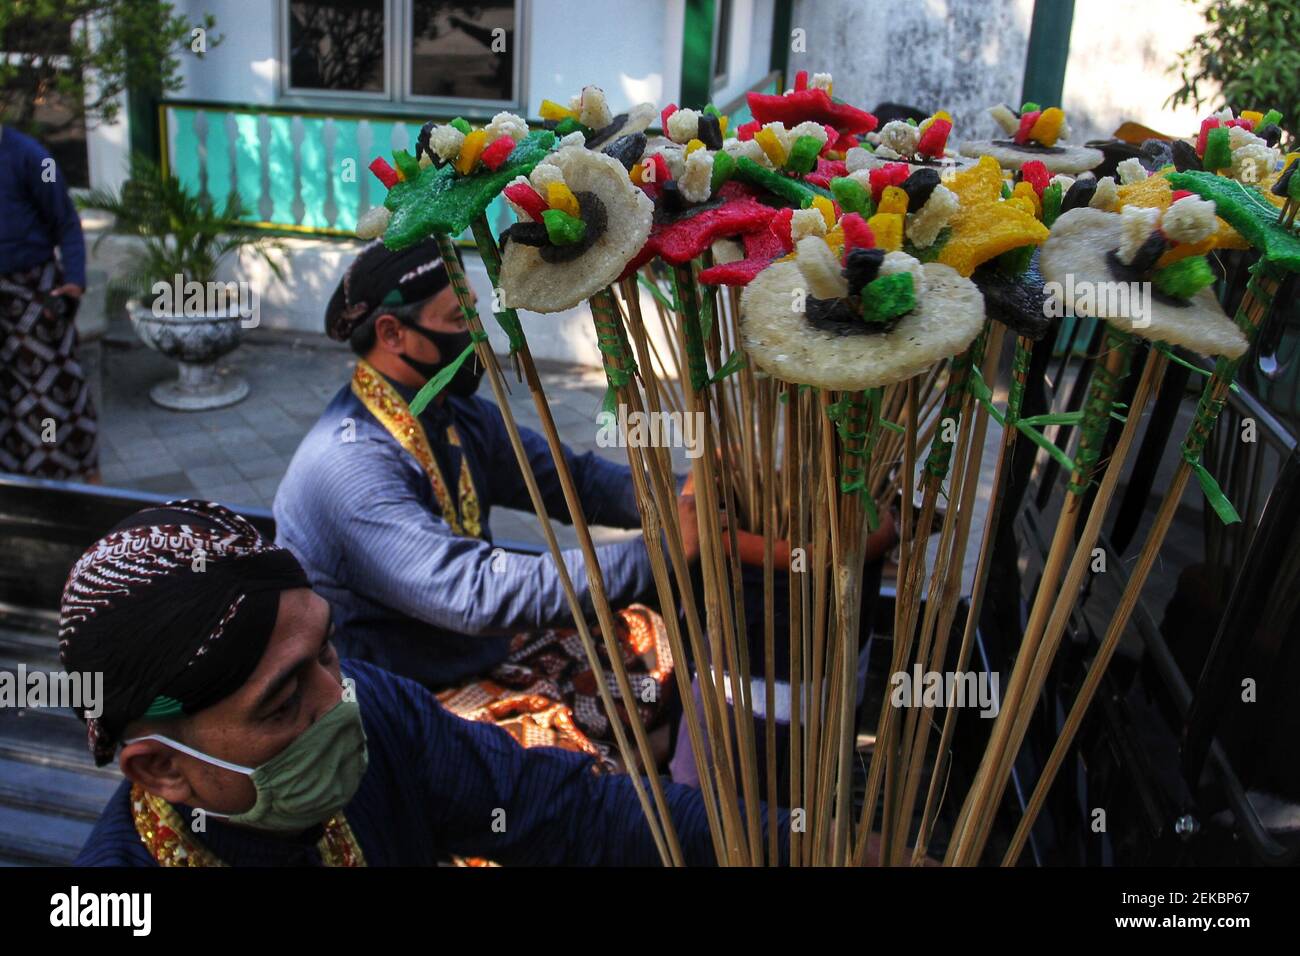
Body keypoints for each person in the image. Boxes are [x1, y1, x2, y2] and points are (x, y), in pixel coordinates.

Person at [66, 500, 767, 866]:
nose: (336, 700)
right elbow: (474, 595)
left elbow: (561, 810)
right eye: (282, 705)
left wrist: (785, 844)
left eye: (326, 651)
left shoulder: (377, 711)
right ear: (161, 768)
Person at [274, 239, 698, 759]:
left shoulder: (448, 408)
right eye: (459, 320)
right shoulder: (349, 467)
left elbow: (572, 482)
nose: (477, 335)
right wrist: (662, 550)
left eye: (476, 312)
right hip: (405, 695)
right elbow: (475, 592)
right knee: (579, 779)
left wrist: (681, 496)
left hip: (474, 650)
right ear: (392, 334)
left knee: (661, 644)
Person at [0, 124, 98, 480]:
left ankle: (68, 475)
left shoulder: (33, 156)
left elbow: (66, 221)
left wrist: (73, 280)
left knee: (50, 392)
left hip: (33, 291)